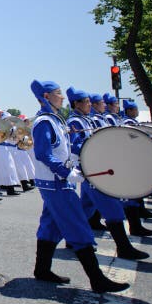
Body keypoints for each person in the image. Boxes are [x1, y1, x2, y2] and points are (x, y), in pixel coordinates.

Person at [29, 79, 128, 293]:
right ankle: (97, 279)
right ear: (46, 96)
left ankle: (42, 269)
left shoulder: (55, 120)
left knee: (51, 226)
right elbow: (43, 154)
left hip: (57, 181)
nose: (62, 96)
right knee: (77, 226)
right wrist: (67, 172)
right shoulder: (45, 122)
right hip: (56, 182)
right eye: (57, 93)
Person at [65, 87, 150, 260]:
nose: (90, 105)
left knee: (86, 207)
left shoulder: (85, 120)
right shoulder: (75, 122)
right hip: (91, 167)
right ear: (77, 103)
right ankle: (123, 247)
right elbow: (75, 145)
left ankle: (71, 238)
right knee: (111, 207)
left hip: (94, 165)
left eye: (90, 102)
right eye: (87, 102)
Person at [0, 107, 20, 196]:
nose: (1, 115)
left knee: (8, 167)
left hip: (3, 148)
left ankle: (8, 188)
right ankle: (1, 188)